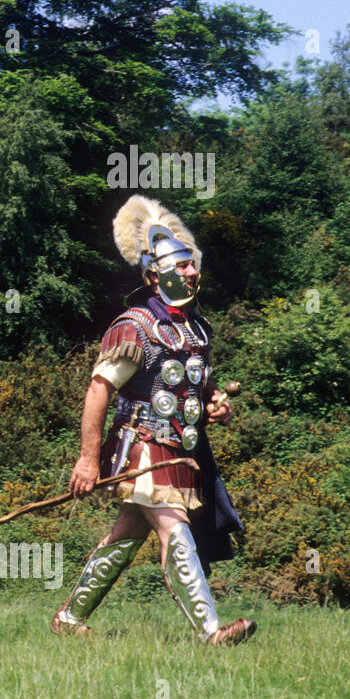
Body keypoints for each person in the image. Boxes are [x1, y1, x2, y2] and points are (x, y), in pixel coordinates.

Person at [52, 196, 254, 645]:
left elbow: (197, 388)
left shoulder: (197, 329)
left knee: (126, 537)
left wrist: (215, 404)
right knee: (173, 527)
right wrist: (87, 460)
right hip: (141, 446)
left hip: (181, 450)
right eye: (180, 267)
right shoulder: (134, 325)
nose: (190, 273)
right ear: (153, 274)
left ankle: (67, 619)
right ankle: (210, 631)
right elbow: (98, 390)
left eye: (192, 266)